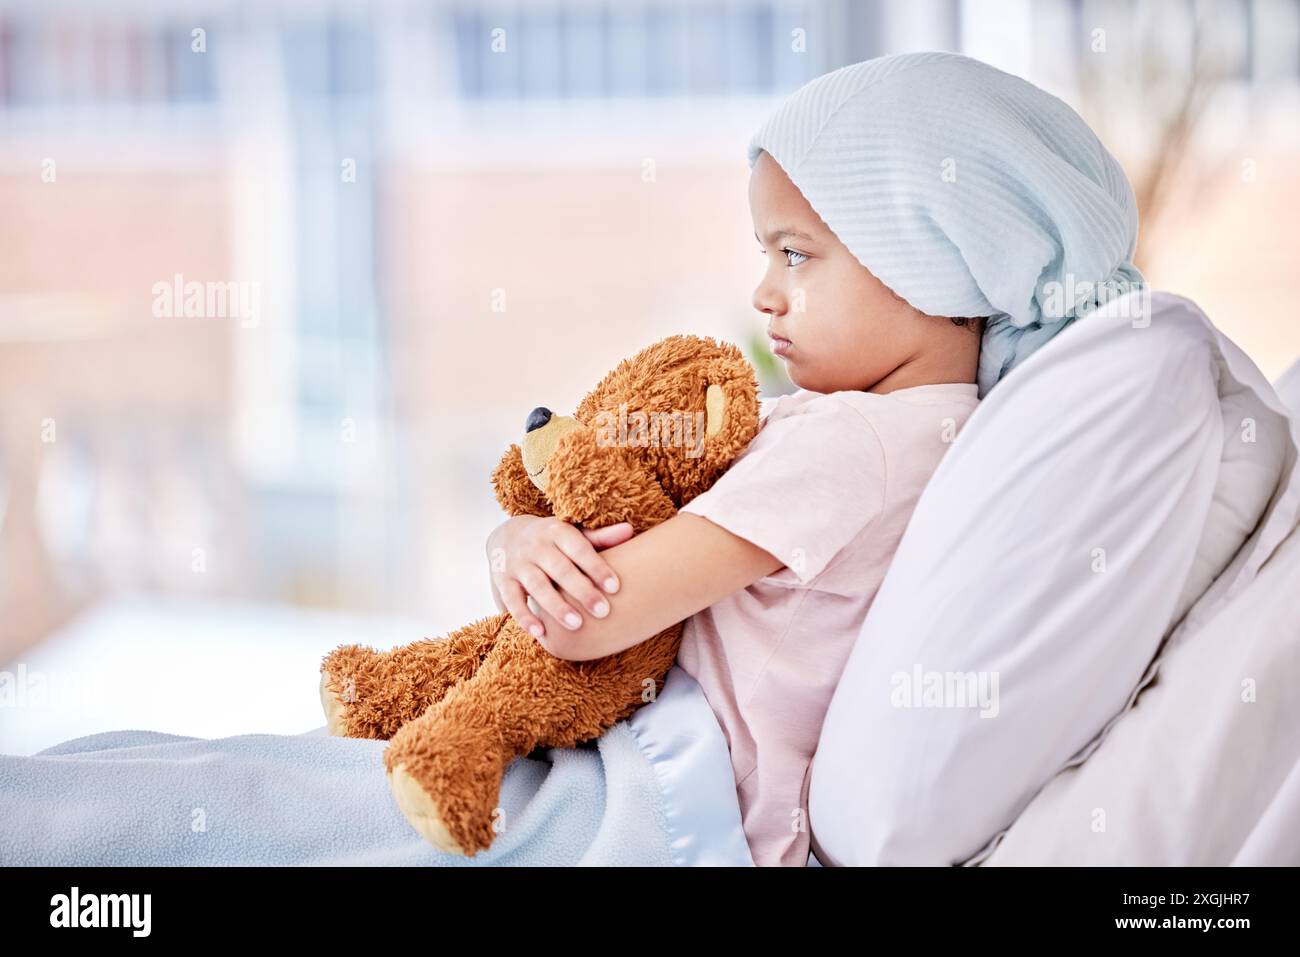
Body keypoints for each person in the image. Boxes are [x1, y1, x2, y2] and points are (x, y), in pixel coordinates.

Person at [485, 51, 1143, 866]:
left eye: (794, 254)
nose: (764, 292)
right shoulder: (919, 424)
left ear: (927, 257)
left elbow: (586, 619)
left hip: (677, 791)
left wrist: (515, 547)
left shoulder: (850, 443)